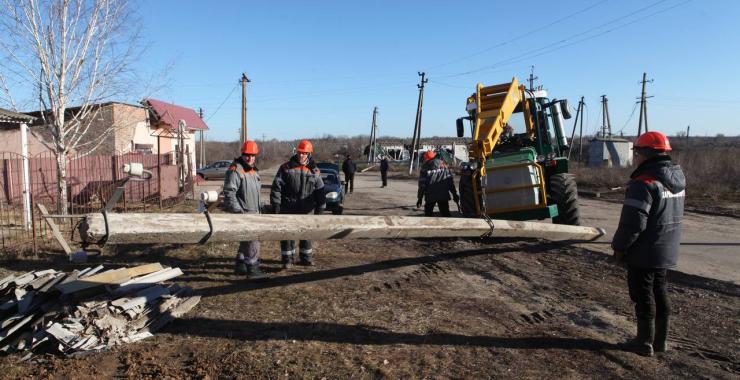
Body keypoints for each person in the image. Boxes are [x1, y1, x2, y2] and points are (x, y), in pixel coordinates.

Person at [612, 131, 685, 357]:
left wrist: (620, 247)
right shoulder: (678, 180)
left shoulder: (644, 182)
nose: (636, 158)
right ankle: (660, 341)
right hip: (666, 248)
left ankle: (643, 342)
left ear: (644, 154)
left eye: (637, 153)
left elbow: (633, 223)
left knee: (643, 294)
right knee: (660, 290)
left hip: (644, 251)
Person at [271, 139, 326, 269]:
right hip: (288, 208)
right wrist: (276, 205)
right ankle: (287, 259)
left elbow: (320, 191)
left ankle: (306, 258)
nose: (301, 155)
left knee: (306, 235)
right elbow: (276, 188)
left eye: (304, 153)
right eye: (300, 152)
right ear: (296, 152)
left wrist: (321, 207)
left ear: (309, 154)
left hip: (307, 210)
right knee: (288, 235)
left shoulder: (315, 171)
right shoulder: (285, 168)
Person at [222, 140, 268, 280]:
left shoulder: (253, 171)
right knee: (253, 241)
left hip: (254, 211)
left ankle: (240, 264)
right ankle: (252, 269)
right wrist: (239, 213)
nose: (250, 158)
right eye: (247, 155)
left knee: (245, 240)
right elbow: (229, 193)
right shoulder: (236, 170)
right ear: (242, 154)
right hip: (244, 213)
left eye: (253, 155)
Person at [416, 150, 459, 217]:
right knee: (446, 215)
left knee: (428, 215)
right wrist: (454, 194)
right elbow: (449, 181)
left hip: (430, 195)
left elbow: (422, 185)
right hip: (443, 195)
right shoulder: (444, 165)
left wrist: (420, 198)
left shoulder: (425, 167)